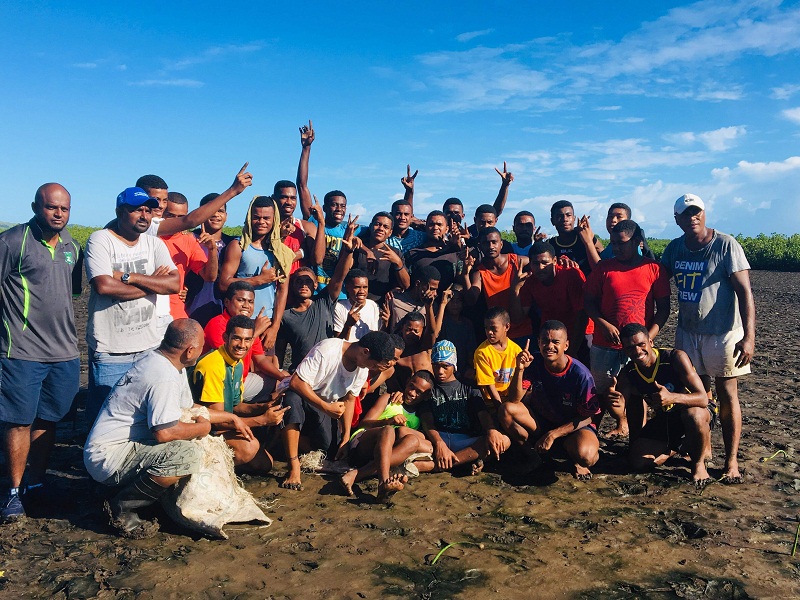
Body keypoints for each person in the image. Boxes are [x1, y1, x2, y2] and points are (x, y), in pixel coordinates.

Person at [83, 319, 248, 538]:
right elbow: (165, 433)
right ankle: (123, 506)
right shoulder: (163, 376)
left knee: (187, 442)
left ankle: (133, 494)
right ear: (190, 351)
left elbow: (188, 409)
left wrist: (230, 417)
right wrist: (203, 428)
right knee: (186, 454)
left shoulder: (167, 363)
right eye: (201, 347)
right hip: (109, 458)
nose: (202, 351)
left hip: (117, 449)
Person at [0, 183, 83, 522]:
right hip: (21, 351)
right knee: (19, 421)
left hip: (64, 352)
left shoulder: (72, 246)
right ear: (36, 207)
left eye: (64, 208)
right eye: (51, 207)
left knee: (49, 420)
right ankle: (12, 492)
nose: (58, 214)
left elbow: (71, 293)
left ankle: (35, 483)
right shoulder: (12, 242)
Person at [660, 193, 755, 483]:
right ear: (677, 219)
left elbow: (745, 293)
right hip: (688, 333)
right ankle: (704, 448)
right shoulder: (674, 248)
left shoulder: (725, 245)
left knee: (727, 395)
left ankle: (731, 461)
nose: (693, 217)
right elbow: (654, 278)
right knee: (699, 394)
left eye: (697, 211)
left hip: (724, 333)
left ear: (704, 213)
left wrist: (749, 337)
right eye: (686, 214)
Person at [84, 187, 180, 425]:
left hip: (149, 347)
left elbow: (174, 284)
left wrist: (130, 277)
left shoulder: (154, 244)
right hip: (111, 351)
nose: (144, 215)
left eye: (148, 210)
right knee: (106, 419)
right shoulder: (100, 240)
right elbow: (104, 286)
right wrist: (153, 284)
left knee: (143, 416)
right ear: (119, 212)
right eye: (137, 210)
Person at [280, 331, 399, 490]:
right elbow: (296, 383)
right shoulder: (328, 350)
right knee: (292, 400)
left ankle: (288, 439)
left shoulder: (361, 368)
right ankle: (293, 464)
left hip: (322, 407)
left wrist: (346, 437)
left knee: (329, 450)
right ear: (365, 352)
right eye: (373, 365)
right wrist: (326, 407)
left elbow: (349, 400)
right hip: (300, 396)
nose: (371, 370)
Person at [584, 220, 670, 437]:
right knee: (601, 392)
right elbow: (589, 302)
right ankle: (591, 435)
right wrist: (603, 324)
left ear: (637, 242)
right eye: (613, 243)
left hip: (639, 347)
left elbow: (664, 309)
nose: (616, 248)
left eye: (621, 243)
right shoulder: (604, 268)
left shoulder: (653, 268)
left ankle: (637, 439)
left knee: (637, 393)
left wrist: (648, 338)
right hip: (605, 344)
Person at [613, 323, 714, 486]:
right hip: (667, 417)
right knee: (638, 462)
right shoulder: (629, 372)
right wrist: (613, 401)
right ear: (624, 350)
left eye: (641, 344)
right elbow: (622, 405)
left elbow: (703, 398)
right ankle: (680, 445)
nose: (637, 351)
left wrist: (672, 398)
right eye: (630, 348)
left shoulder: (674, 358)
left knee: (693, 415)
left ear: (651, 342)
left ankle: (698, 464)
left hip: (696, 409)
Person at [499, 320, 601, 480]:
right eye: (545, 341)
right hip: (542, 421)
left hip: (572, 428)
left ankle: (575, 459)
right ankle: (533, 456)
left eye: (555, 342)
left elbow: (588, 416)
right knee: (506, 409)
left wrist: (554, 434)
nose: (549, 346)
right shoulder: (534, 362)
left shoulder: (581, 375)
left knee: (586, 456)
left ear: (566, 345)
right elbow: (514, 399)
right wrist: (519, 369)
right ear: (539, 342)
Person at [193, 315, 288, 474]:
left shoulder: (237, 363)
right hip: (203, 429)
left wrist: (263, 407)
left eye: (247, 340)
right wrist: (262, 420)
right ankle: (207, 471)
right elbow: (218, 422)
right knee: (249, 448)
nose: (242, 345)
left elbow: (235, 406)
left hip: (220, 424)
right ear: (226, 338)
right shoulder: (213, 365)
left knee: (265, 464)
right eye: (237, 338)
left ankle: (226, 464)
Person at [339, 370, 435, 501]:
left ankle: (358, 474)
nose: (412, 393)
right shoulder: (389, 399)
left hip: (384, 454)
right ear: (407, 382)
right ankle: (383, 482)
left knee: (412, 440)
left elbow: (422, 442)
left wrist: (404, 431)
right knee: (388, 431)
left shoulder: (418, 417)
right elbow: (364, 424)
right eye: (411, 386)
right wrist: (387, 422)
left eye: (419, 392)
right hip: (363, 443)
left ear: (426, 396)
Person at [418, 340, 510, 475]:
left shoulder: (469, 387)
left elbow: (483, 414)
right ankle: (464, 461)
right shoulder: (428, 387)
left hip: (466, 441)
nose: (440, 371)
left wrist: (491, 430)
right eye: (436, 366)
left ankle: (437, 465)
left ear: (454, 365)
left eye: (445, 366)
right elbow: (427, 421)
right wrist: (439, 443)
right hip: (437, 439)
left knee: (504, 440)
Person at [219, 196, 294, 350]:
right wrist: (258, 280)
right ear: (249, 218)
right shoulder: (238, 246)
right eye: (256, 217)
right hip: (239, 322)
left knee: (265, 364)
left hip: (266, 323)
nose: (261, 222)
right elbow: (224, 284)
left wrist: (275, 327)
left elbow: (282, 290)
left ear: (274, 219)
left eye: (266, 218)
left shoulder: (281, 252)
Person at [279, 229, 356, 372]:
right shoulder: (285, 315)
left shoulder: (324, 301)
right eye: (299, 281)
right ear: (292, 285)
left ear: (315, 285)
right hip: (300, 373)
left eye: (308, 281)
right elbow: (279, 352)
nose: (303, 285)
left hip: (328, 371)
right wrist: (279, 376)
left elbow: (339, 277)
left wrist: (348, 252)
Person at [203, 282, 288, 402]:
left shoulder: (246, 325)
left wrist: (282, 377)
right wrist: (256, 332)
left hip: (242, 379)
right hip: (223, 383)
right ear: (227, 302)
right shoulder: (217, 324)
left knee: (287, 379)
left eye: (250, 302)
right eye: (240, 300)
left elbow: (261, 360)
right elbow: (230, 360)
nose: (246, 306)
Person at [510, 240, 592, 362]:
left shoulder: (570, 273)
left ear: (554, 261)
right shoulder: (529, 280)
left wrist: (572, 349)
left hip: (580, 333)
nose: (540, 268)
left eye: (545, 263)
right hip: (551, 334)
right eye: (535, 263)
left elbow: (582, 314)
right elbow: (517, 318)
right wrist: (515, 289)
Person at [464, 227, 532, 345]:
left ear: (501, 244)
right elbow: (471, 299)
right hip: (498, 336)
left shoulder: (517, 261)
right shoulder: (480, 272)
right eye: (486, 243)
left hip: (523, 331)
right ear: (480, 246)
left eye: (494, 242)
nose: (491, 246)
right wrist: (465, 274)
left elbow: (543, 264)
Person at [159, 192, 218, 320]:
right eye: (170, 215)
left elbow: (210, 276)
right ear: (162, 212)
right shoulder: (149, 235)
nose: (176, 221)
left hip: (176, 312)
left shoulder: (189, 240)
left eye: (181, 217)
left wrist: (212, 249)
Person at [184, 193, 237, 327]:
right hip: (192, 311)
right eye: (211, 210)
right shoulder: (189, 239)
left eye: (220, 211)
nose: (216, 215)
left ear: (226, 216)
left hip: (222, 315)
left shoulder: (233, 244)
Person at [473, 307, 523, 410]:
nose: (489, 332)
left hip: (512, 399)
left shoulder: (516, 350)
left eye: (493, 328)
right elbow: (489, 386)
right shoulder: (482, 352)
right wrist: (500, 410)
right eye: (486, 328)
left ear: (507, 327)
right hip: (492, 403)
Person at [352, 212, 410, 300]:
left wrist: (398, 262)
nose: (381, 229)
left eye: (386, 227)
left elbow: (406, 285)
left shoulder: (395, 253)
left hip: (381, 304)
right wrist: (367, 251)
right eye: (377, 224)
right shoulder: (357, 248)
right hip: (355, 301)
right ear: (370, 226)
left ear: (390, 232)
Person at [405, 211, 462, 290]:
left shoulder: (455, 253)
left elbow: (461, 282)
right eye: (431, 224)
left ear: (447, 229)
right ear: (426, 227)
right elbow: (406, 283)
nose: (435, 228)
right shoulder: (412, 254)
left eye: (439, 224)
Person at [548, 200, 604, 276]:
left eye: (568, 215)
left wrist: (588, 239)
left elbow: (603, 256)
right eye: (559, 216)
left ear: (574, 219)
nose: (565, 219)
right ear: (552, 221)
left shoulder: (584, 237)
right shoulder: (550, 244)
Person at [386, 265, 441, 332]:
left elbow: (432, 333)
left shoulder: (433, 307)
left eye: (436, 289)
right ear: (417, 284)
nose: (435, 293)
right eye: (432, 289)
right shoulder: (394, 300)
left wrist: (428, 307)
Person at [334, 269, 382, 341]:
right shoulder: (338, 307)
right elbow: (337, 342)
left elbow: (378, 337)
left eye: (365, 287)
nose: (362, 291)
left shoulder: (374, 305)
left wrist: (385, 323)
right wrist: (348, 325)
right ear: (347, 288)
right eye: (357, 287)